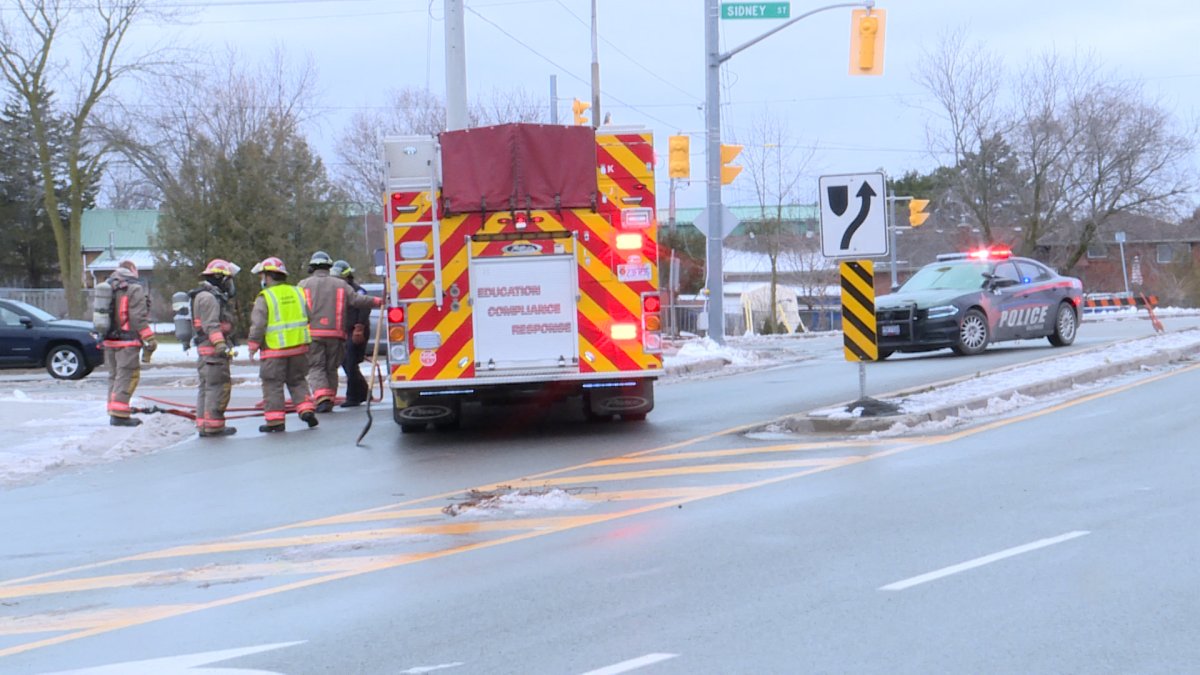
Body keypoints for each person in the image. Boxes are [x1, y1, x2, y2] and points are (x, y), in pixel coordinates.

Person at [297, 251, 380, 413]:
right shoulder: (341, 285)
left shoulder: (303, 285)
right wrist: (377, 301)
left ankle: (322, 398)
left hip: (313, 334)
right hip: (336, 335)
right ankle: (329, 398)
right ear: (329, 266)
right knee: (331, 368)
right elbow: (357, 300)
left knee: (316, 366)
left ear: (312, 267)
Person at [246, 256, 318, 433]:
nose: (261, 279)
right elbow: (309, 316)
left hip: (274, 351)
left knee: (272, 385)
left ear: (268, 276)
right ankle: (306, 410)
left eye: (262, 275)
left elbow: (258, 324)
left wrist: (253, 345)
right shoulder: (298, 292)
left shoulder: (265, 297)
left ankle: (275, 421)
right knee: (298, 381)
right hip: (299, 349)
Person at [101, 260, 155, 427]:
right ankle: (120, 415)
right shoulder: (134, 288)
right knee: (127, 376)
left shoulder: (108, 286)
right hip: (127, 340)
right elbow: (137, 317)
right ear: (132, 269)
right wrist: (149, 337)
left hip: (109, 340)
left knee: (114, 376)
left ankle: (113, 410)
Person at [192, 259, 240, 437]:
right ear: (220, 278)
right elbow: (211, 325)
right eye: (228, 279)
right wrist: (221, 345)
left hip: (205, 353)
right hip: (213, 353)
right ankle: (214, 426)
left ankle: (204, 425)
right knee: (218, 388)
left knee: (206, 388)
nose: (230, 284)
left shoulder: (204, 295)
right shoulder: (210, 298)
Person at [331, 260, 371, 407]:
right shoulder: (339, 291)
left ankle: (353, 397)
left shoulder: (357, 291)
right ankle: (363, 393)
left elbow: (365, 307)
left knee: (350, 362)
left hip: (356, 331)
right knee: (348, 363)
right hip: (344, 332)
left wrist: (359, 328)